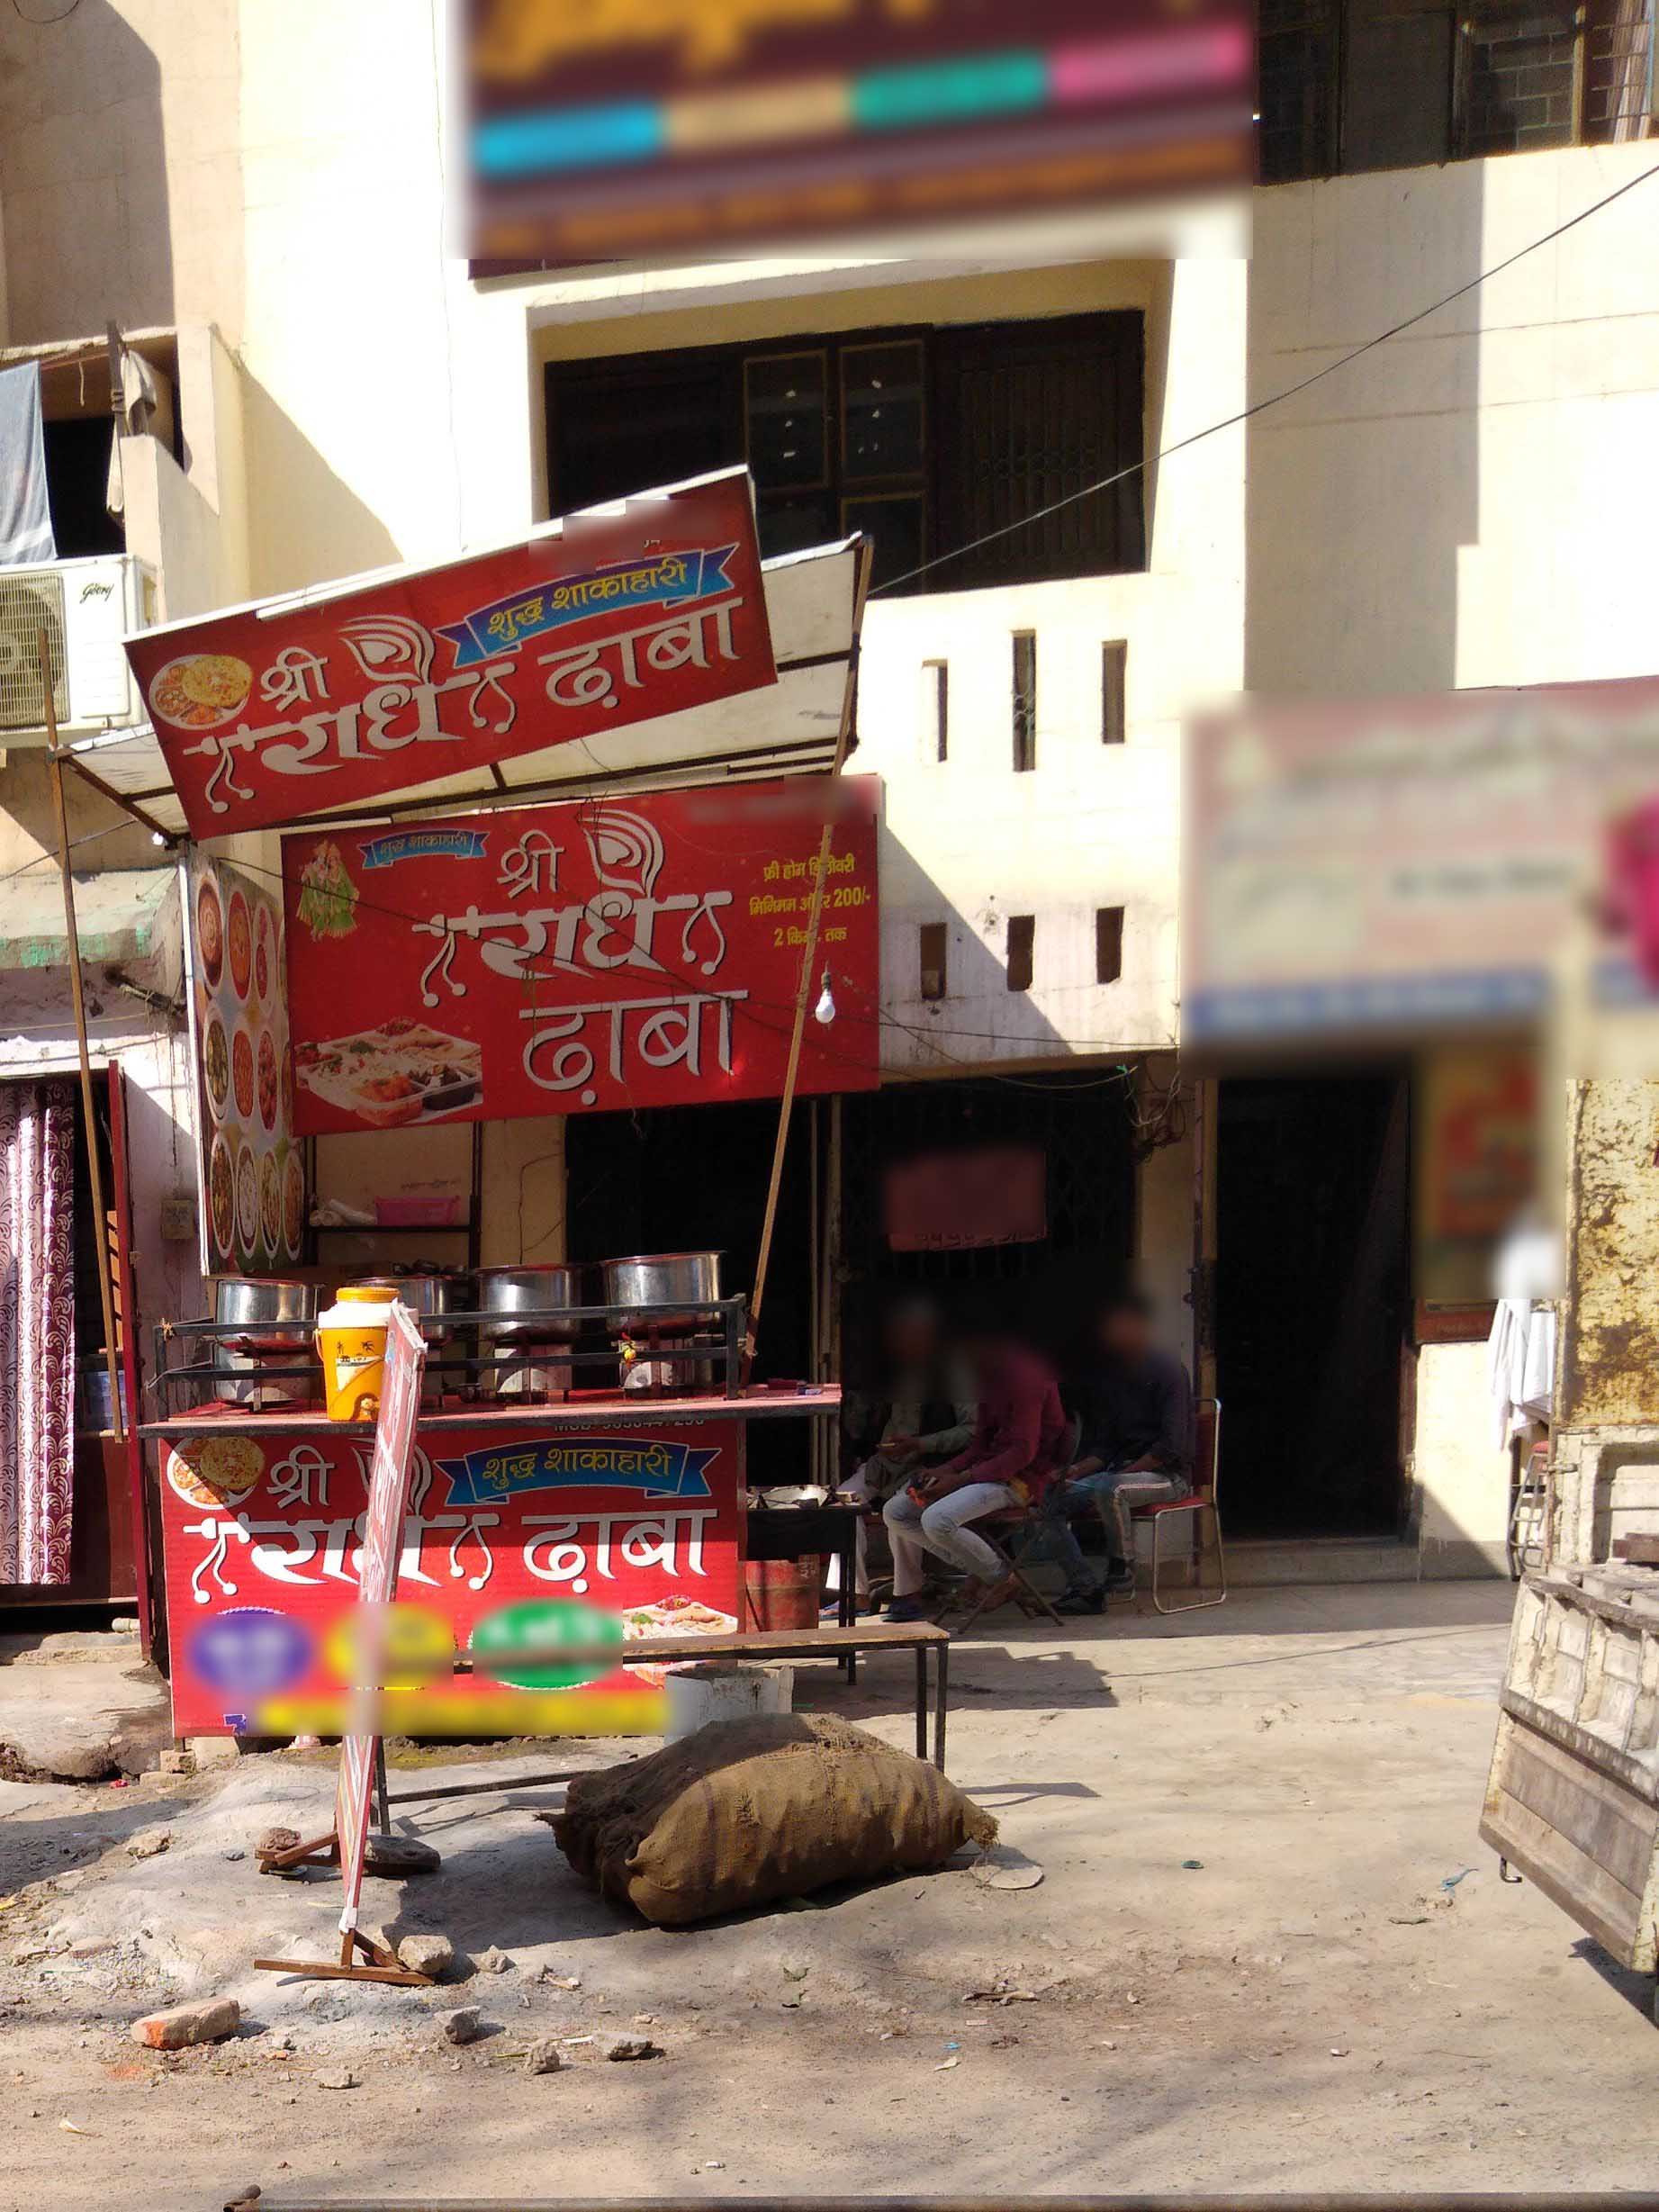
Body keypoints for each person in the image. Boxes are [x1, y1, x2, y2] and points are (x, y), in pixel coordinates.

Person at [882, 1327, 1066, 1621]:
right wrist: (942, 1472)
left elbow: (1022, 1453)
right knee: (896, 1511)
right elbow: (980, 1444)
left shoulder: (1027, 1377)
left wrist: (959, 1479)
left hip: (1020, 1480)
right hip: (984, 1472)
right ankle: (985, 1571)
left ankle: (998, 1576)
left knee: (936, 1519)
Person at [1036, 1292, 1193, 1615]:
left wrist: (1120, 1473)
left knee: (1112, 1487)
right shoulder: (1110, 1377)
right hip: (1119, 1472)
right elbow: (1105, 1445)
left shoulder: (1168, 1371)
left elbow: (1170, 1446)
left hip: (1166, 1475)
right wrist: (1077, 1472)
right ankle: (1085, 1587)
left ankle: (1122, 1568)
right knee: (1051, 1500)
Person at [825, 1298, 976, 1614]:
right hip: (888, 1463)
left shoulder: (956, 1373)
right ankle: (855, 1594)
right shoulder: (899, 1370)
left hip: (933, 1465)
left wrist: (921, 1444)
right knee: (841, 1504)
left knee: (903, 1507)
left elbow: (972, 1430)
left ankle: (908, 1593)